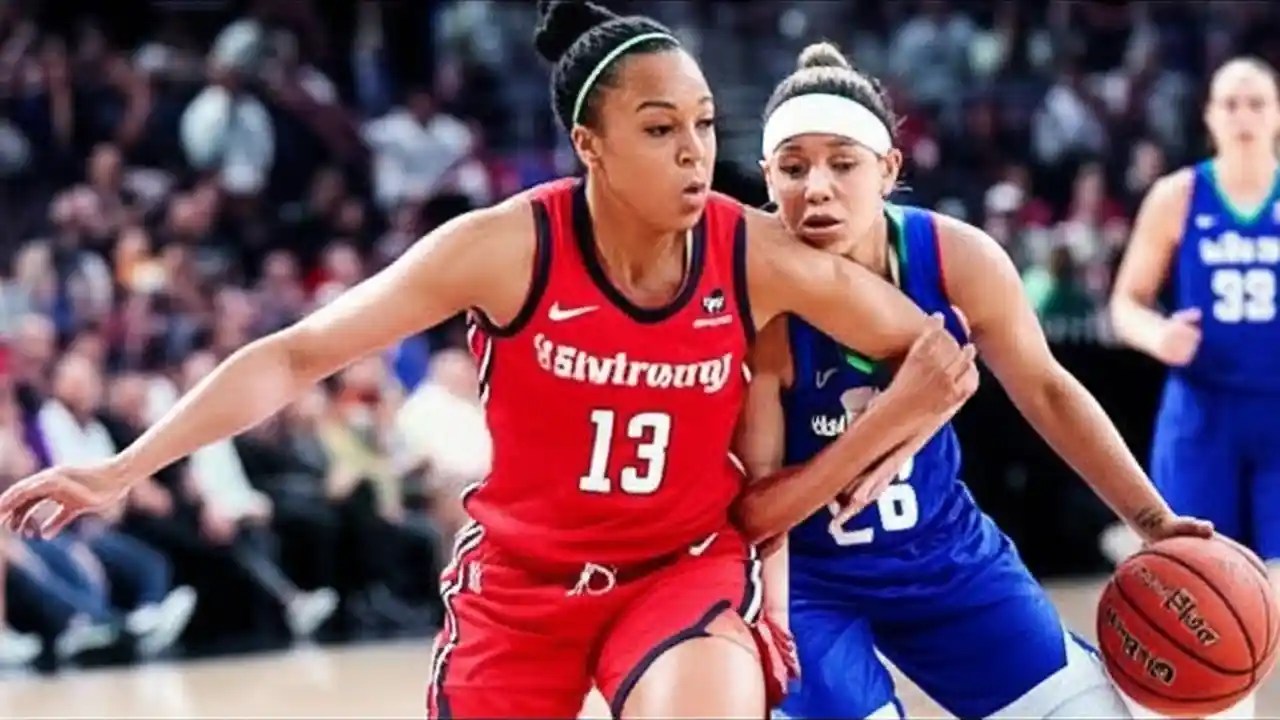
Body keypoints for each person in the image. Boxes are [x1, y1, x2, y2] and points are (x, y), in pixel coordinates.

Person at [0, 3, 973, 717]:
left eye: (704, 124)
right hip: (523, 588)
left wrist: (870, 447)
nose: (692, 152)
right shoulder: (507, 247)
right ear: (588, 145)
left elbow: (936, 359)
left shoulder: (745, 250)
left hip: (679, 571)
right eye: (659, 128)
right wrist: (124, 468)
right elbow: (297, 355)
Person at [738, 42, 1223, 720]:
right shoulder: (754, 298)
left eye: (842, 164)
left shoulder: (956, 260)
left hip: (942, 555)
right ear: (767, 178)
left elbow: (1049, 392)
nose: (816, 186)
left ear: (889, 169)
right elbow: (757, 516)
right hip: (811, 581)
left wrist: (1153, 520)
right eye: (792, 168)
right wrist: (887, 425)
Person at [1111, 57, 1280, 596]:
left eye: (1256, 102)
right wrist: (1159, 335)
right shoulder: (1177, 195)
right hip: (1203, 413)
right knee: (1204, 589)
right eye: (1230, 103)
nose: (1243, 115)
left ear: (1276, 115)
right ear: (1210, 117)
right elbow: (1125, 304)